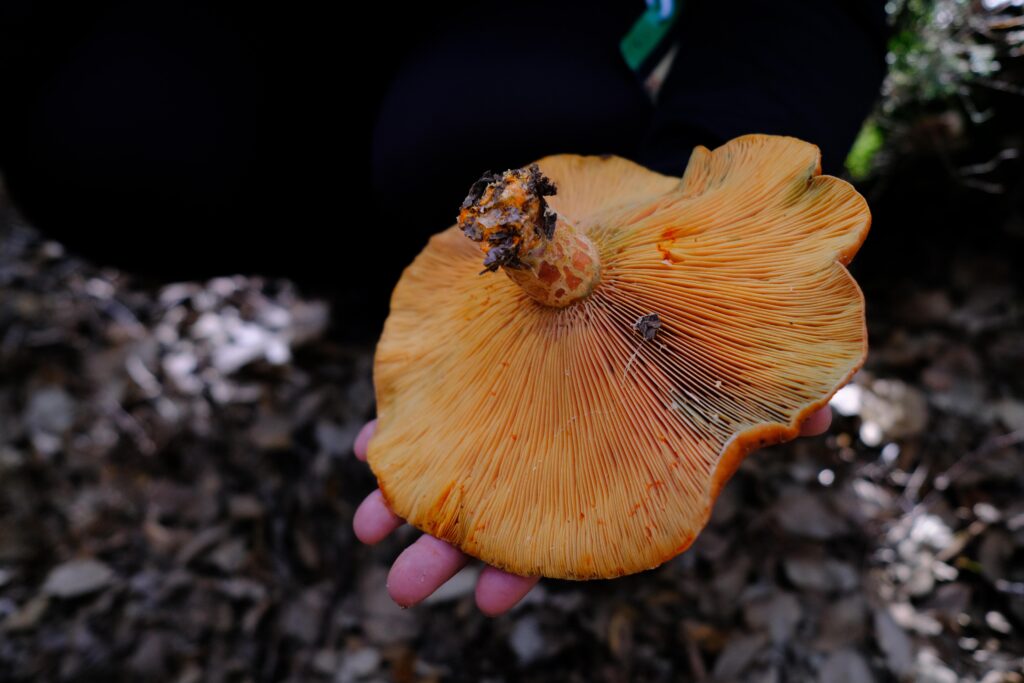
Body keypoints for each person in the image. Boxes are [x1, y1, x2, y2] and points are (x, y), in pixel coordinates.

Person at [0, 1, 888, 615]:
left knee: (485, 117)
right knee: (94, 141)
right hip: (265, 42)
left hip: (528, 40)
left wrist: (699, 165)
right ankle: (364, 263)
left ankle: (428, 166)